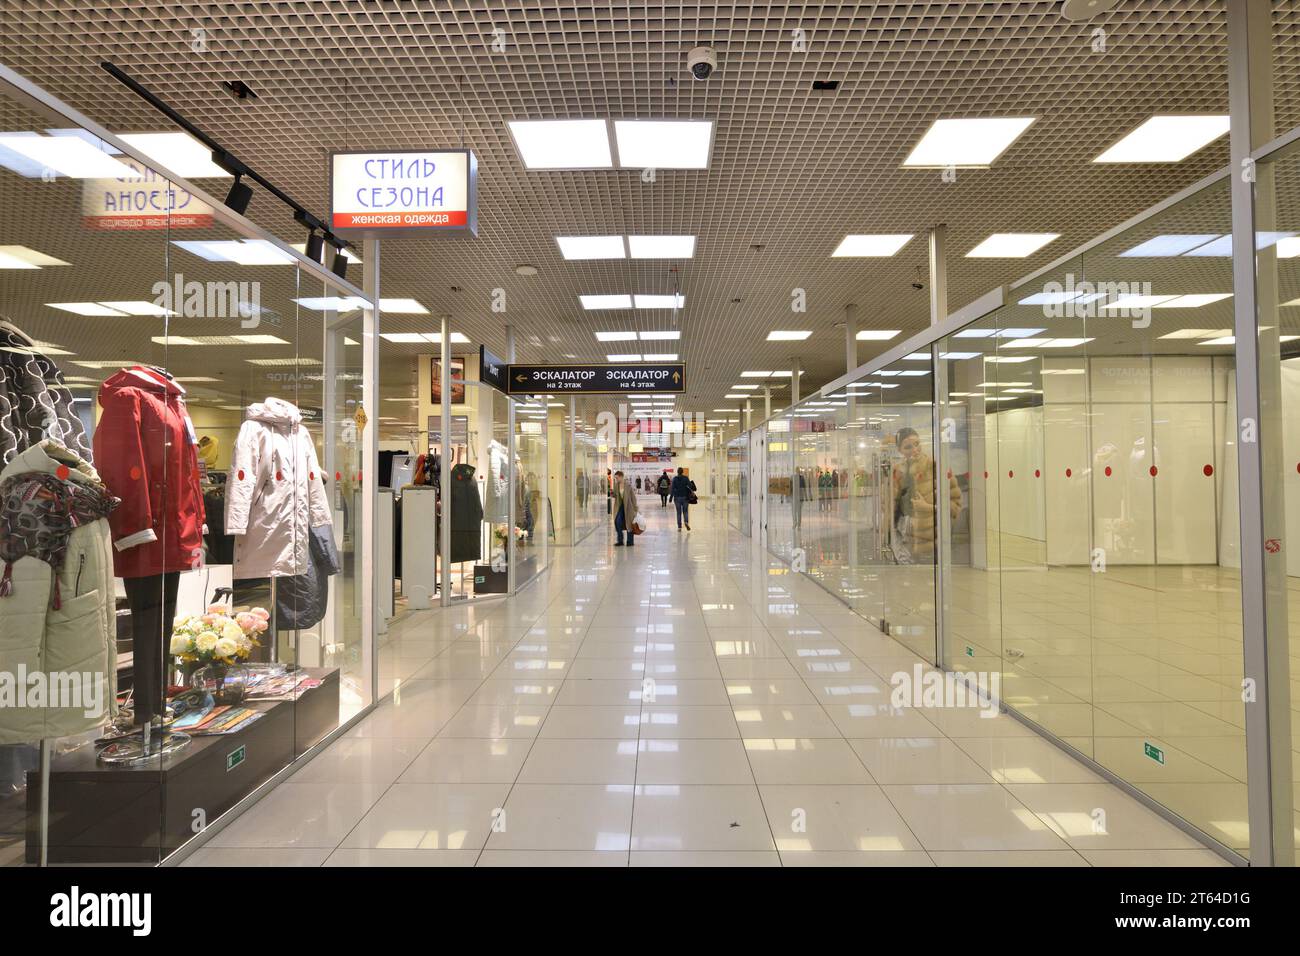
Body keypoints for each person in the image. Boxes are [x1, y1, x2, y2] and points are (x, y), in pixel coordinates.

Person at [891, 426, 962, 562]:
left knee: (925, 577)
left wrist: (928, 508)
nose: (915, 450)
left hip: (928, 541)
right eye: (908, 447)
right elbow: (893, 506)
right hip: (902, 535)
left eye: (917, 444)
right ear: (899, 450)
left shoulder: (936, 466)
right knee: (903, 576)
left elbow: (955, 506)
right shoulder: (897, 471)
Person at [613, 470, 639, 547]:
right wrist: (612, 494)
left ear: (621, 477)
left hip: (628, 507)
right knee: (617, 522)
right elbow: (615, 495)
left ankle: (630, 541)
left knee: (629, 524)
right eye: (615, 478)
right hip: (620, 507)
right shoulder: (616, 485)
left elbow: (633, 498)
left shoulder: (628, 486)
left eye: (617, 478)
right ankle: (620, 540)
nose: (616, 479)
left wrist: (635, 509)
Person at [670, 466, 695, 531]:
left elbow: (672, 488)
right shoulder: (686, 478)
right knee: (685, 511)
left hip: (677, 497)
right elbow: (690, 486)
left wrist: (670, 497)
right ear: (682, 472)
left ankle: (679, 527)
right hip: (685, 497)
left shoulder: (675, 479)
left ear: (677, 472)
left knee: (678, 512)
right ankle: (686, 522)